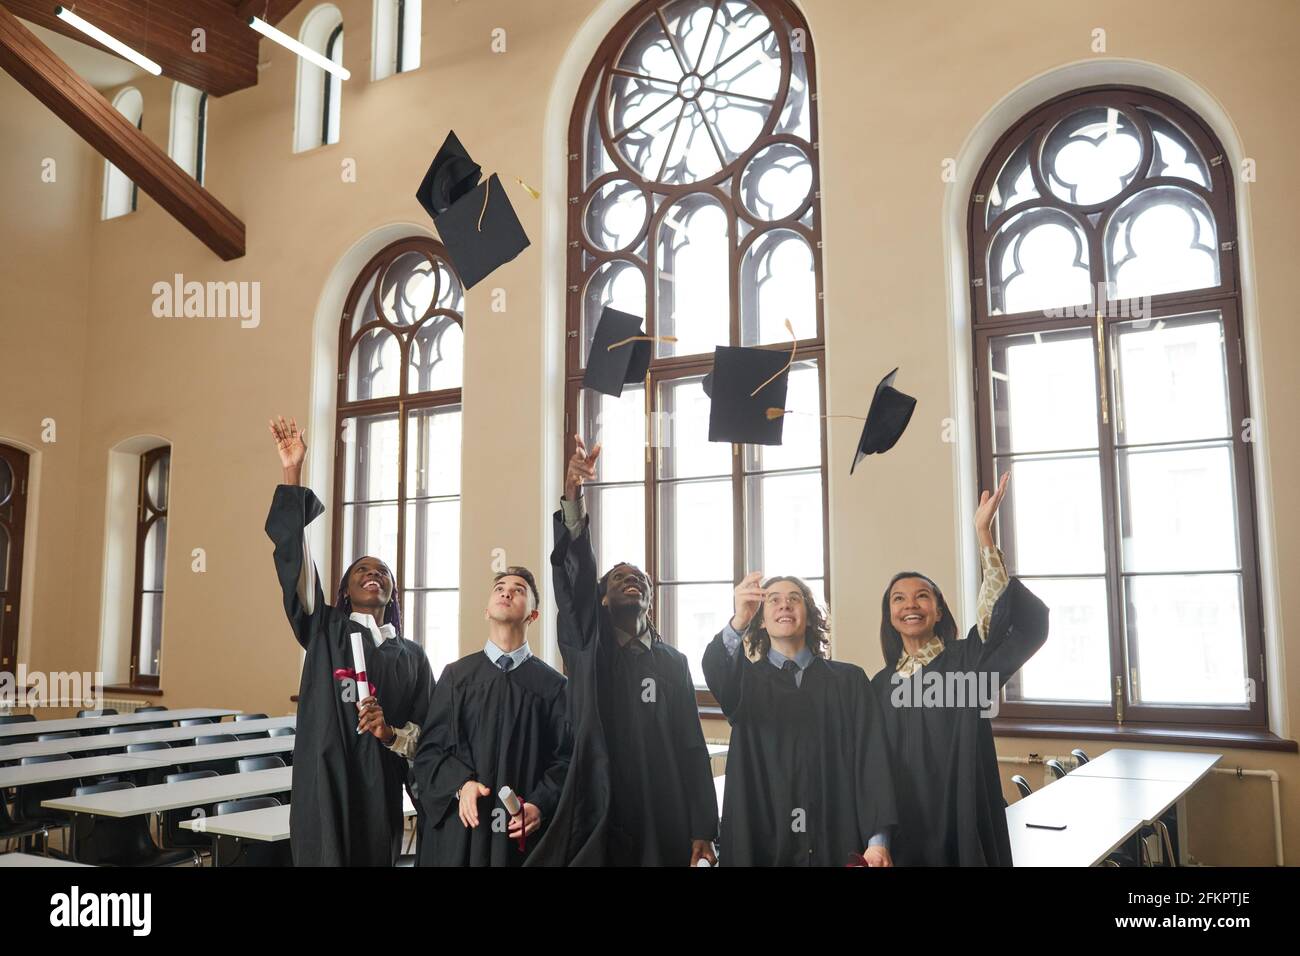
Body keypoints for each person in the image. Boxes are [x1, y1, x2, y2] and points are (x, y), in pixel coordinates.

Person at [527, 436, 718, 867]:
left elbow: (692, 746)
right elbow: (575, 580)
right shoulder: (586, 645)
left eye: (642, 580)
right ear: (603, 600)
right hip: (598, 803)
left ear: (651, 602)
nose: (633, 581)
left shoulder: (673, 662)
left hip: (661, 807)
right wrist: (573, 497)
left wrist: (704, 826)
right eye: (619, 579)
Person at [264, 416, 435, 866]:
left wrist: (390, 732)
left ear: (393, 593)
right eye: (362, 569)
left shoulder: (413, 657)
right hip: (326, 780)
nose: (373, 574)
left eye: (383, 572)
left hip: (380, 785)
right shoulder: (325, 630)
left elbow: (428, 734)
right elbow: (297, 570)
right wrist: (292, 475)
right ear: (344, 589)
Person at [870, 473, 1050, 865]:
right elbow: (872, 762)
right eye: (899, 599)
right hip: (903, 823)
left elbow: (996, 618)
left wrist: (984, 535)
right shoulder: (879, 686)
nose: (910, 605)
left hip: (960, 814)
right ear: (890, 615)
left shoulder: (968, 662)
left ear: (938, 611)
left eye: (922, 596)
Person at [702, 573, 897, 866]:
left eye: (795, 599)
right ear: (762, 621)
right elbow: (716, 667)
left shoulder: (849, 682)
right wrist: (739, 619)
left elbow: (872, 762)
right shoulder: (744, 683)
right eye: (774, 600)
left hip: (835, 836)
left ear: (808, 618)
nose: (785, 605)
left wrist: (877, 841)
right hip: (764, 836)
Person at [412, 567, 570, 866]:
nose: (507, 592)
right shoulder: (456, 676)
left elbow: (565, 758)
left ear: (533, 615)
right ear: (486, 610)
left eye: (519, 589)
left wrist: (539, 803)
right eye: (499, 587)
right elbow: (430, 751)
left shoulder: (553, 686)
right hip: (464, 829)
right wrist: (462, 784)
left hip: (520, 828)